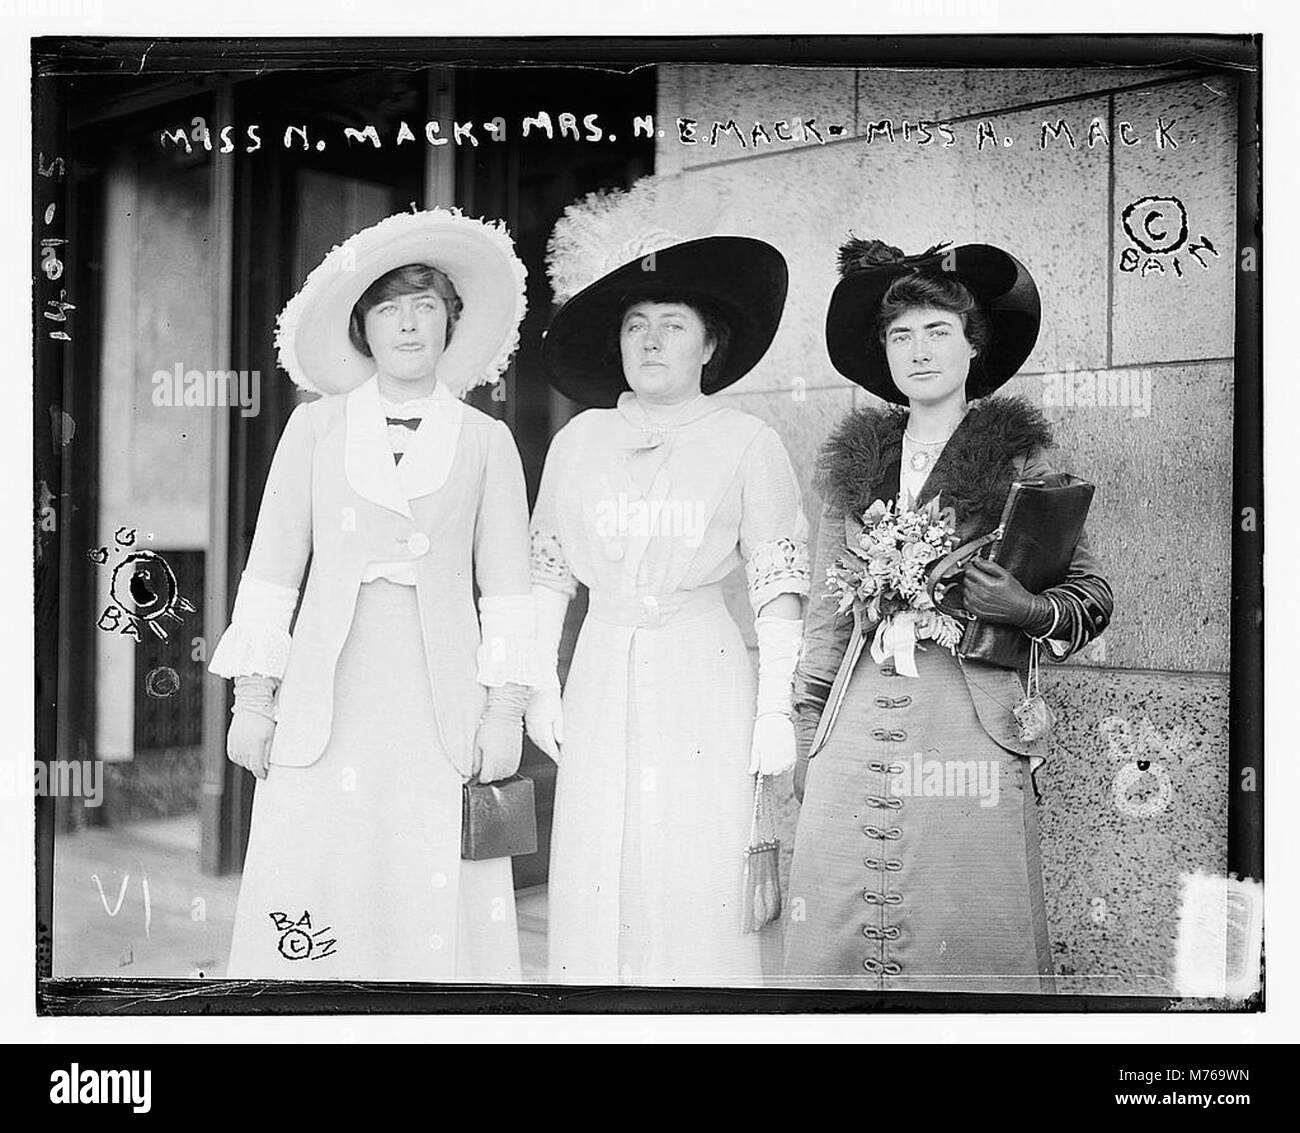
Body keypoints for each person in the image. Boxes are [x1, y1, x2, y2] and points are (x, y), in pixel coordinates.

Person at [209, 208, 536, 981]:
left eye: (426, 306)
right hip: (328, 694)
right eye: (388, 308)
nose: (408, 325)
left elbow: (510, 592)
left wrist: (504, 711)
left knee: (425, 881)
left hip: (440, 699)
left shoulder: (487, 440)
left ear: (450, 323)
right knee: (323, 873)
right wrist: (254, 702)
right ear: (364, 328)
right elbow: (272, 569)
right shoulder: (315, 430)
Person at [783, 237, 1113, 992]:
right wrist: (806, 729)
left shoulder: (1019, 465)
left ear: (973, 347)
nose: (918, 351)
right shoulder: (852, 466)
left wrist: (1024, 605)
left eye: (938, 332)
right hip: (855, 718)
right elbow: (829, 616)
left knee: (959, 919)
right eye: (901, 336)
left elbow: (1092, 596)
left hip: (966, 715)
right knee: (838, 904)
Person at [527, 196, 810, 985]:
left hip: (701, 665)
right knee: (598, 852)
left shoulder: (748, 442)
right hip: (603, 662)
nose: (651, 340)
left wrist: (774, 707)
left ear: (710, 344)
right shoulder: (578, 442)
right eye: (635, 324)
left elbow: (778, 582)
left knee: (695, 851)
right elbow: (547, 571)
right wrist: (537, 686)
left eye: (673, 324)